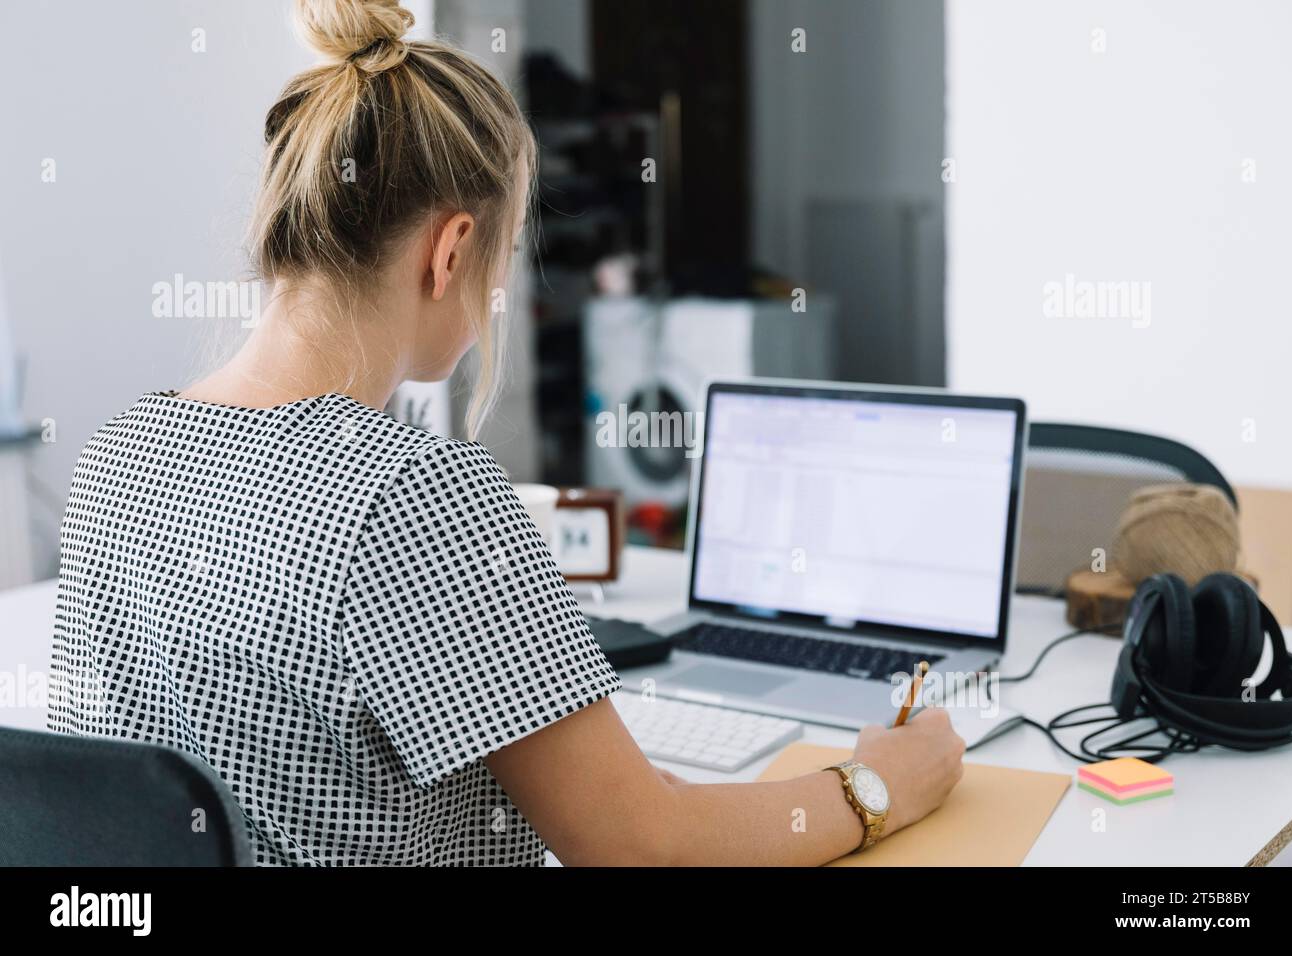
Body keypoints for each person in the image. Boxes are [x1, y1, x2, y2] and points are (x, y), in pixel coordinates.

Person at [48, 0, 963, 866]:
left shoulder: (118, 452)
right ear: (449, 253)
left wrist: (635, 801)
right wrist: (881, 783)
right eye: (504, 249)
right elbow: (641, 849)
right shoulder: (415, 493)